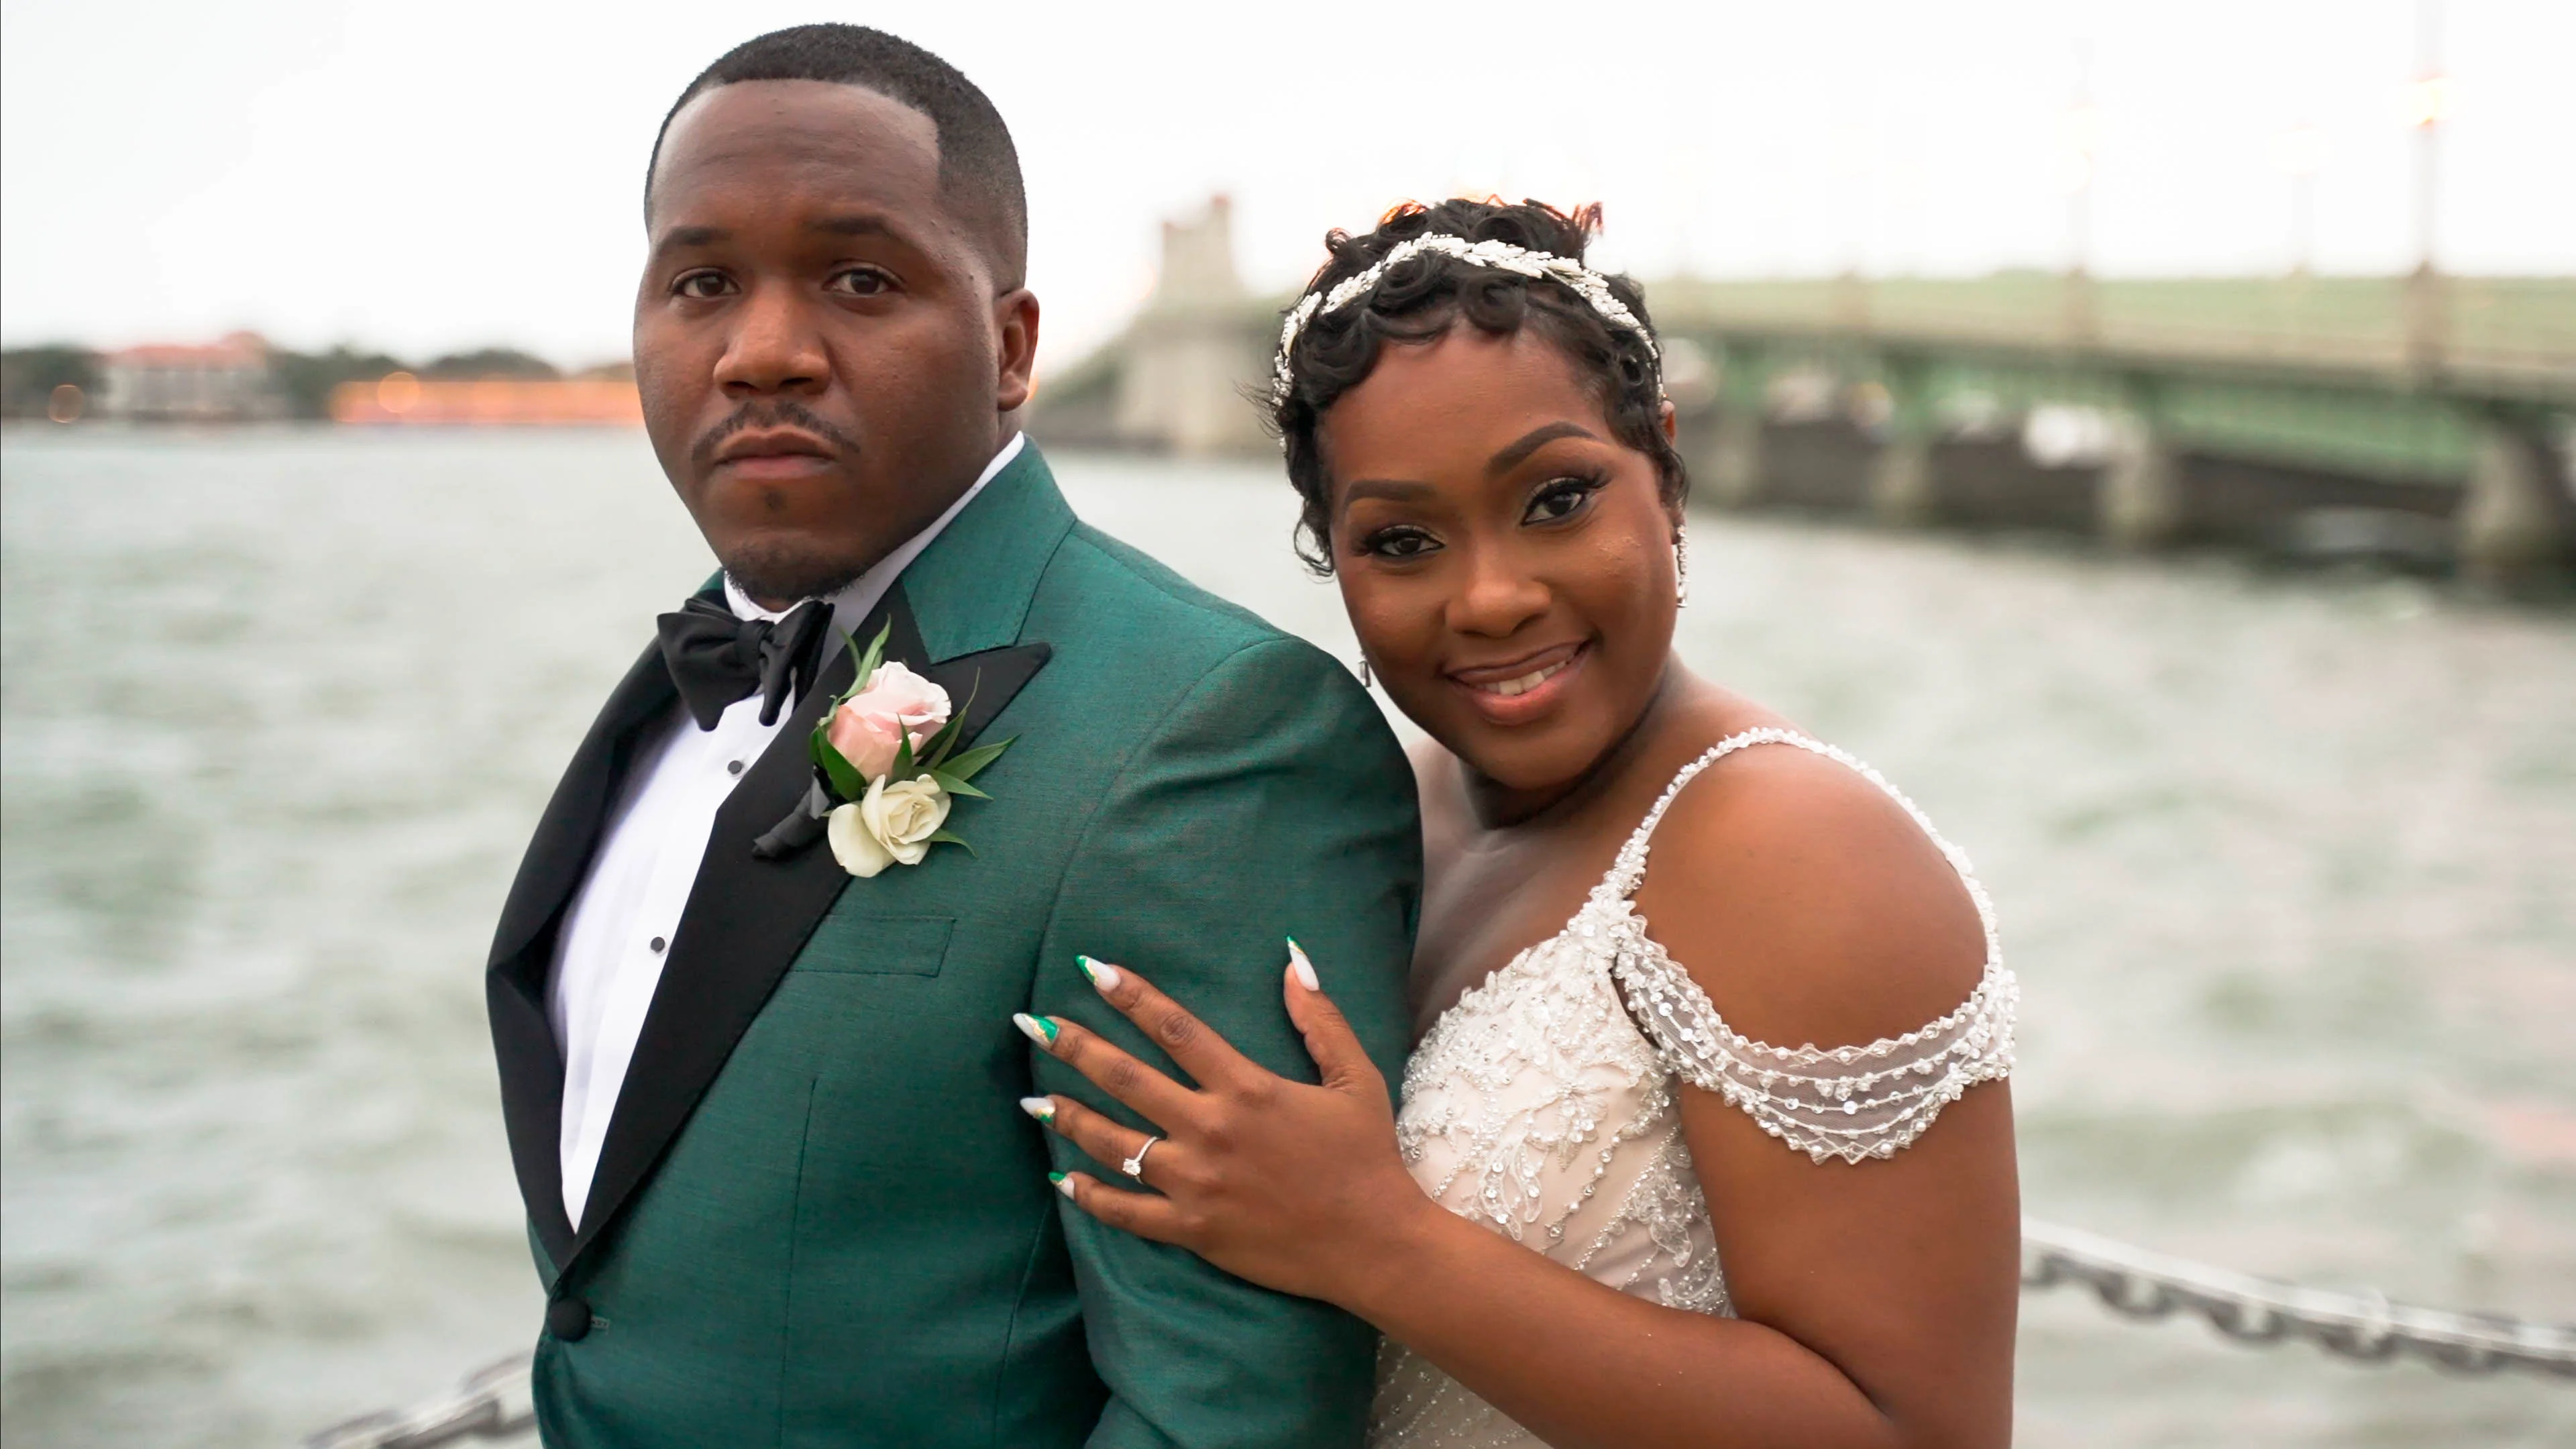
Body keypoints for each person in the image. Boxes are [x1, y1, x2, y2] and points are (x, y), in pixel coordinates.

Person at [482, 25, 1417, 1448]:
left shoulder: (1211, 734)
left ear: (1012, 347)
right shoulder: (678, 685)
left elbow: (1227, 1410)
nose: (763, 352)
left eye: (861, 279)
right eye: (702, 284)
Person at [1017, 199, 2023, 1448]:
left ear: (1664, 469)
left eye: (1556, 499)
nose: (1491, 598)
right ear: (1332, 558)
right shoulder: (1390, 810)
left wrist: (1375, 1242)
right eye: (1403, 541)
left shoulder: (1793, 848)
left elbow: (1920, 1434)